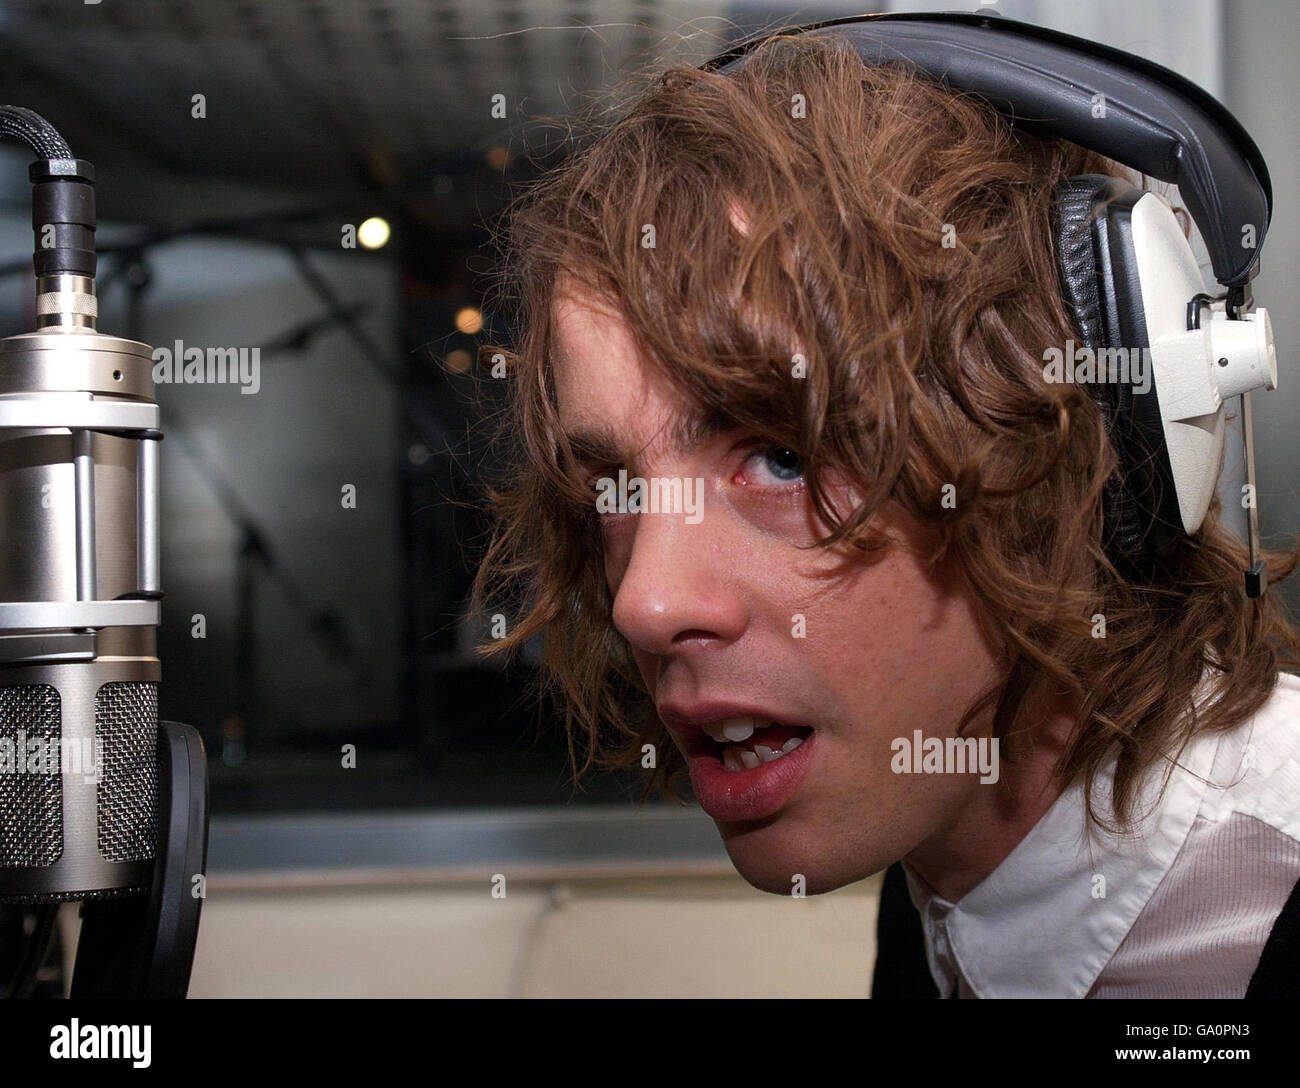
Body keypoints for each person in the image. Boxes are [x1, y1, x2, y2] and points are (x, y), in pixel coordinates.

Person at [472, 29, 1300, 998]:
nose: (645, 603)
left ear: (1090, 456)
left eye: (781, 455)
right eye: (615, 487)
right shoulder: (946, 875)